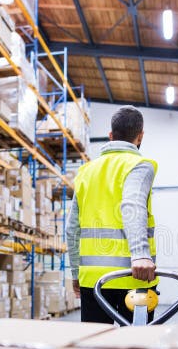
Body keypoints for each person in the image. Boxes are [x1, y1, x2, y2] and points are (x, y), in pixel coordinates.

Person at [66, 105, 158, 324]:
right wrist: (140, 254)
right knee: (135, 347)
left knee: (95, 348)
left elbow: (72, 229)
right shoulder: (140, 165)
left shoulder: (85, 172)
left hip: (93, 281)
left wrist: (75, 271)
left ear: (110, 136)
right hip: (134, 278)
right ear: (140, 136)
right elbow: (132, 204)